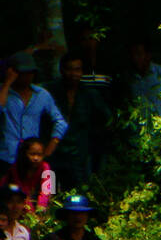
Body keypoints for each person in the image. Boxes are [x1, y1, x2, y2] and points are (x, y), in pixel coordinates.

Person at [44, 53, 109, 190]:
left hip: (79, 156)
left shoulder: (90, 94)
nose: (73, 73)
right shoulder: (48, 91)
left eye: (77, 69)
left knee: (79, 194)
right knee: (47, 193)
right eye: (69, 69)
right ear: (61, 70)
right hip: (53, 153)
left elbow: (106, 119)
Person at [0, 53, 66, 175]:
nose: (27, 77)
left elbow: (60, 121)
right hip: (6, 157)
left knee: (33, 192)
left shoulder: (42, 94)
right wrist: (7, 83)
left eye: (30, 73)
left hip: (32, 159)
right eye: (23, 73)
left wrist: (53, 144)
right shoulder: (3, 91)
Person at [4, 137, 54, 211]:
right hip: (19, 198)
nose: (36, 158)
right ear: (24, 154)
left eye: (39, 155)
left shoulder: (45, 167)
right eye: (32, 154)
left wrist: (41, 208)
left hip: (36, 197)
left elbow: (46, 190)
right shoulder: (16, 168)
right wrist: (31, 213)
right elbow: (22, 192)